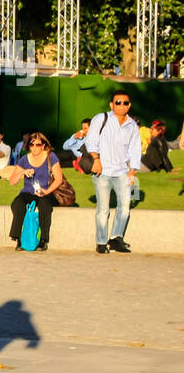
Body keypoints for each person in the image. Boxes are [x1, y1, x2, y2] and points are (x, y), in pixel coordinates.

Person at [84, 90, 141, 254]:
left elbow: (135, 149)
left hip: (122, 171)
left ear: (129, 105)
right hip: (102, 171)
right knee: (103, 208)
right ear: (111, 104)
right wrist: (96, 160)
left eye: (125, 103)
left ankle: (116, 238)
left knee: (125, 205)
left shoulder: (132, 126)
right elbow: (91, 141)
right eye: (118, 102)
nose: (121, 106)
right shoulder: (101, 119)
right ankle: (101, 242)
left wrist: (133, 171)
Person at [7, 132, 63, 251]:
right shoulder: (24, 159)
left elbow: (59, 179)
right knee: (17, 204)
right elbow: (12, 181)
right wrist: (22, 172)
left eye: (37, 145)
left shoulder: (50, 157)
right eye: (31, 145)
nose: (34, 148)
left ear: (43, 145)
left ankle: (44, 240)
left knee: (45, 206)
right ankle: (18, 239)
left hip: (46, 192)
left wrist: (46, 191)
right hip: (28, 192)